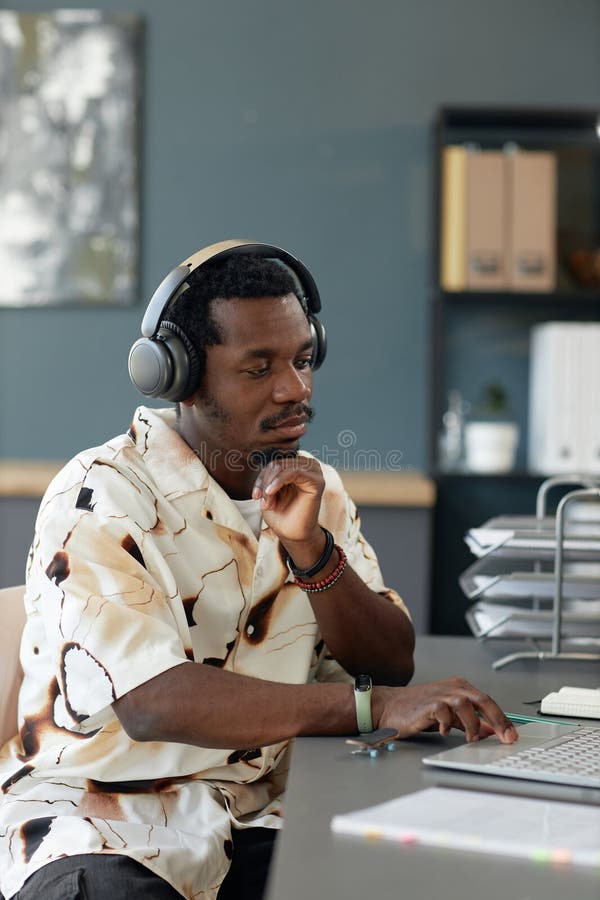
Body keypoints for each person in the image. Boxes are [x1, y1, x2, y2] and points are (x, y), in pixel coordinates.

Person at [0, 241, 517, 900]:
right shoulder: (99, 495)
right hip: (103, 821)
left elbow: (390, 662)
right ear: (181, 377)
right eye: (259, 368)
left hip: (258, 815)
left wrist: (313, 551)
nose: (295, 388)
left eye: (303, 359)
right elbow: (153, 703)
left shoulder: (317, 490)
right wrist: (372, 708)